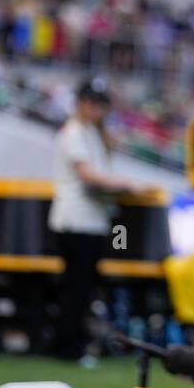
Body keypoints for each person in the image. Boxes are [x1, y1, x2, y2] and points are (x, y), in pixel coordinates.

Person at [49, 76, 146, 363]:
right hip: (76, 221)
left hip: (90, 221)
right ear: (81, 103)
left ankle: (74, 343)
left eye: (102, 104)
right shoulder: (75, 131)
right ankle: (69, 347)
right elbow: (87, 175)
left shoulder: (91, 131)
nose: (98, 109)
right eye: (93, 103)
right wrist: (125, 183)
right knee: (76, 289)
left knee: (82, 287)